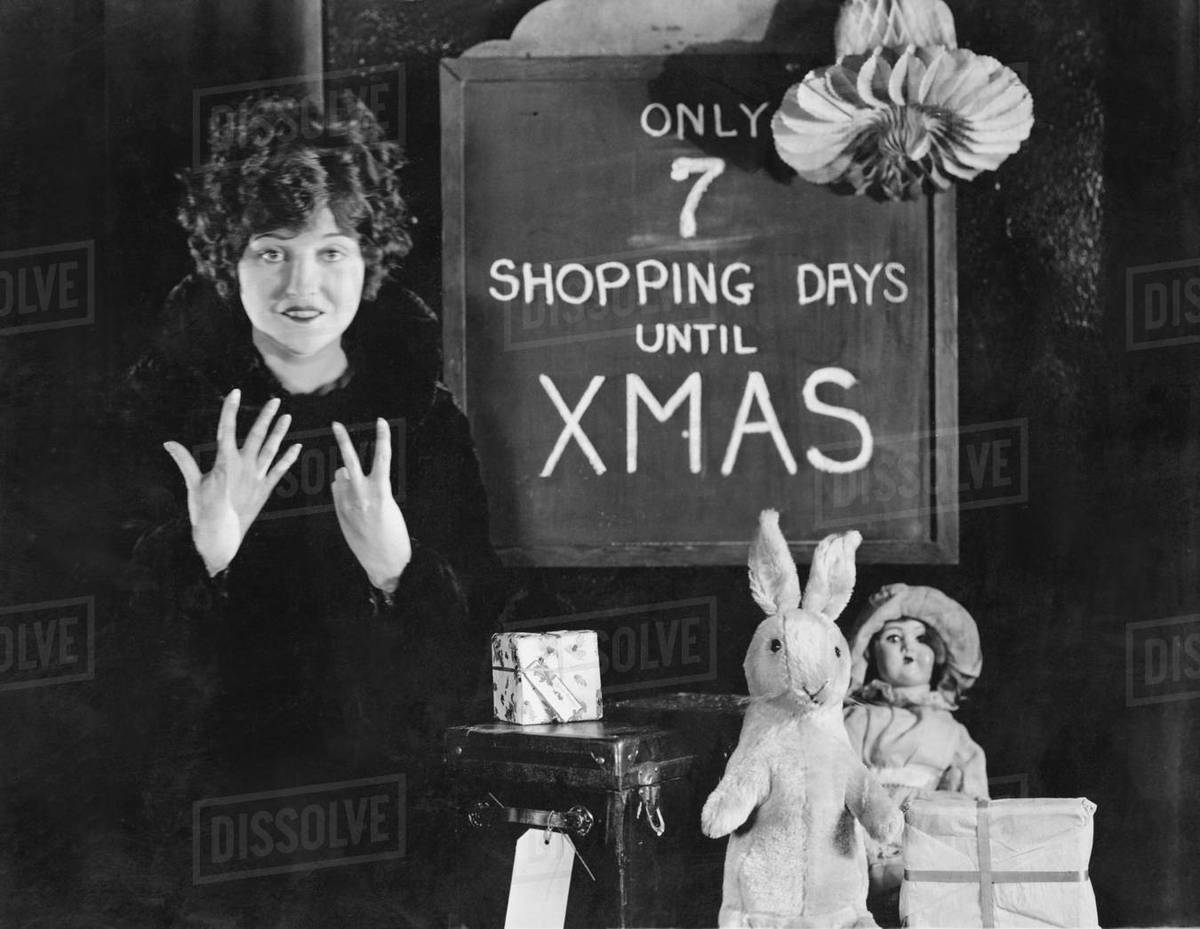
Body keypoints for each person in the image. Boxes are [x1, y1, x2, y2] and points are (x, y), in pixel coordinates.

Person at [106, 93, 505, 928]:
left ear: (372, 257)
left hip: (388, 862)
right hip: (215, 863)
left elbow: (467, 684)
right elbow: (110, 698)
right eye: (271, 252)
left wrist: (400, 573)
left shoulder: (427, 428)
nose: (303, 284)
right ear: (230, 259)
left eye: (332, 250)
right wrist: (199, 556)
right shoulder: (163, 417)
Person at [842, 583, 988, 926]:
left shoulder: (952, 733)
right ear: (871, 653)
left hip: (924, 847)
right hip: (859, 841)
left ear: (938, 653)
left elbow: (972, 805)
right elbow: (834, 780)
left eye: (922, 639)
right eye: (893, 638)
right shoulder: (858, 718)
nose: (909, 649)